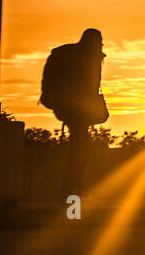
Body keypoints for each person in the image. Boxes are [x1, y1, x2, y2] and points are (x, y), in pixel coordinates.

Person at [39, 28, 108, 199]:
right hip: (73, 106)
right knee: (82, 145)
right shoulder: (79, 57)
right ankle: (71, 188)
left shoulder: (85, 57)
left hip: (76, 106)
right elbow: (82, 85)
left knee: (82, 145)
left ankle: (72, 187)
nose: (100, 46)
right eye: (98, 43)